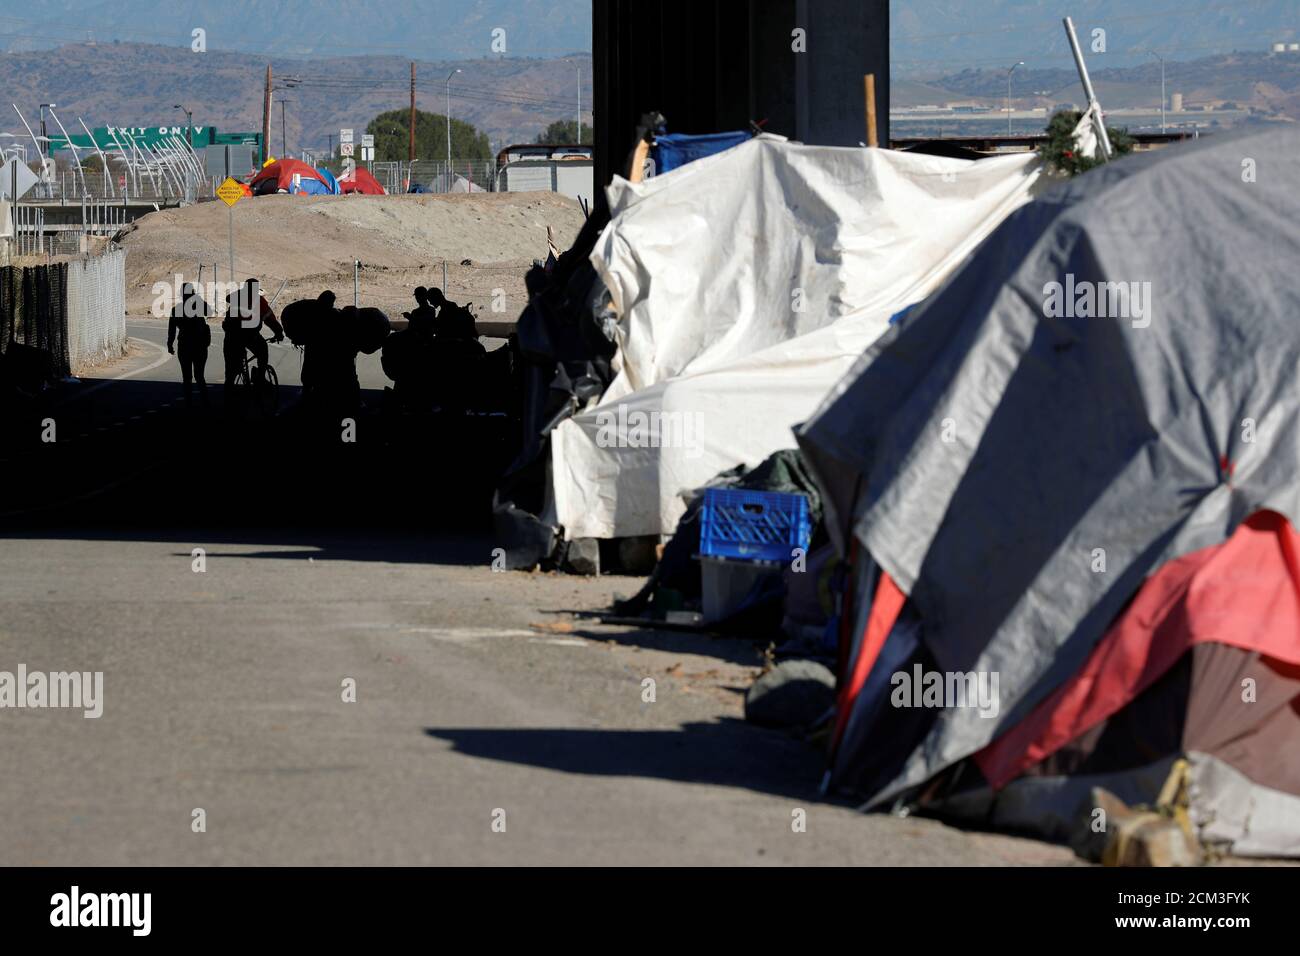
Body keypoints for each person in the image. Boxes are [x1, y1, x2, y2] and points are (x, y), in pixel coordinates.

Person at [223, 279, 284, 399]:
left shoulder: (236, 297)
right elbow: (270, 319)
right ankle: (260, 378)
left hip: (231, 336)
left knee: (231, 371)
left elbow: (228, 298)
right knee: (262, 353)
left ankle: (229, 397)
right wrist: (278, 333)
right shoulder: (259, 301)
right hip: (250, 335)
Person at [381, 287, 438, 410]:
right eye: (417, 296)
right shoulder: (418, 312)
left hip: (422, 344)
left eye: (419, 296)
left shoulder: (429, 311)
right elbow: (413, 328)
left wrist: (411, 319)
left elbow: (425, 325)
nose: (417, 299)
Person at [167, 283, 212, 405]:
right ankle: (205, 401)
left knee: (187, 377)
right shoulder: (198, 306)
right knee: (199, 376)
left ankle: (189, 402)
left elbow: (172, 330)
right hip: (200, 346)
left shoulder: (176, 310)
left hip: (184, 345)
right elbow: (210, 312)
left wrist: (170, 344)